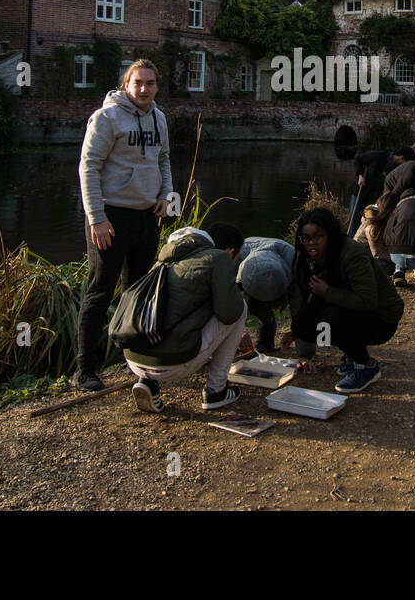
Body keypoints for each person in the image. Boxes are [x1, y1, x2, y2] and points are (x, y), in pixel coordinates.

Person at [75, 59, 172, 392]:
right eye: (138, 83)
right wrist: (97, 218)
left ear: (157, 86)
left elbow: (163, 159)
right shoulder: (106, 118)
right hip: (112, 219)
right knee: (100, 291)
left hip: (147, 217)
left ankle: (135, 363)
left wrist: (165, 196)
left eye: (150, 83)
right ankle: (85, 369)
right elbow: (88, 168)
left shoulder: (159, 118)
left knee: (138, 293)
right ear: (125, 85)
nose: (144, 89)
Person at [124, 223, 248, 413]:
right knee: (240, 308)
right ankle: (216, 390)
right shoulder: (219, 258)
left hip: (134, 359)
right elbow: (230, 314)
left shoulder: (165, 258)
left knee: (169, 309)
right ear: (231, 252)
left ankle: (149, 382)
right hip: (172, 364)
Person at [280, 208, 404, 393]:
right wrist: (298, 331)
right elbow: (316, 299)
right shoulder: (315, 257)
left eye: (318, 236)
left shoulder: (352, 254)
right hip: (352, 309)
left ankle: (367, 366)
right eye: (306, 238)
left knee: (330, 320)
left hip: (382, 318)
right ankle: (352, 354)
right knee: (305, 325)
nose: (311, 243)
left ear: (330, 235)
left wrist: (328, 292)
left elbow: (368, 300)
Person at [237, 235, 298, 354]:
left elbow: (299, 306)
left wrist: (298, 333)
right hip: (243, 276)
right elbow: (224, 304)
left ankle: (266, 340)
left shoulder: (294, 261)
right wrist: (237, 333)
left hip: (283, 268)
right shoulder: (232, 259)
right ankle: (266, 322)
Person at [348, 147, 399, 235]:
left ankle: (361, 240)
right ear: (400, 157)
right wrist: (360, 175)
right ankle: (350, 239)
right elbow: (358, 159)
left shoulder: (395, 167)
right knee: (353, 219)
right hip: (360, 191)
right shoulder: (379, 156)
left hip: (374, 196)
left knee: (368, 220)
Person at [353, 191, 398, 263]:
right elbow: (377, 254)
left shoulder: (381, 220)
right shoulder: (372, 226)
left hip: (368, 257)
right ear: (390, 211)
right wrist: (399, 259)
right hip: (359, 259)